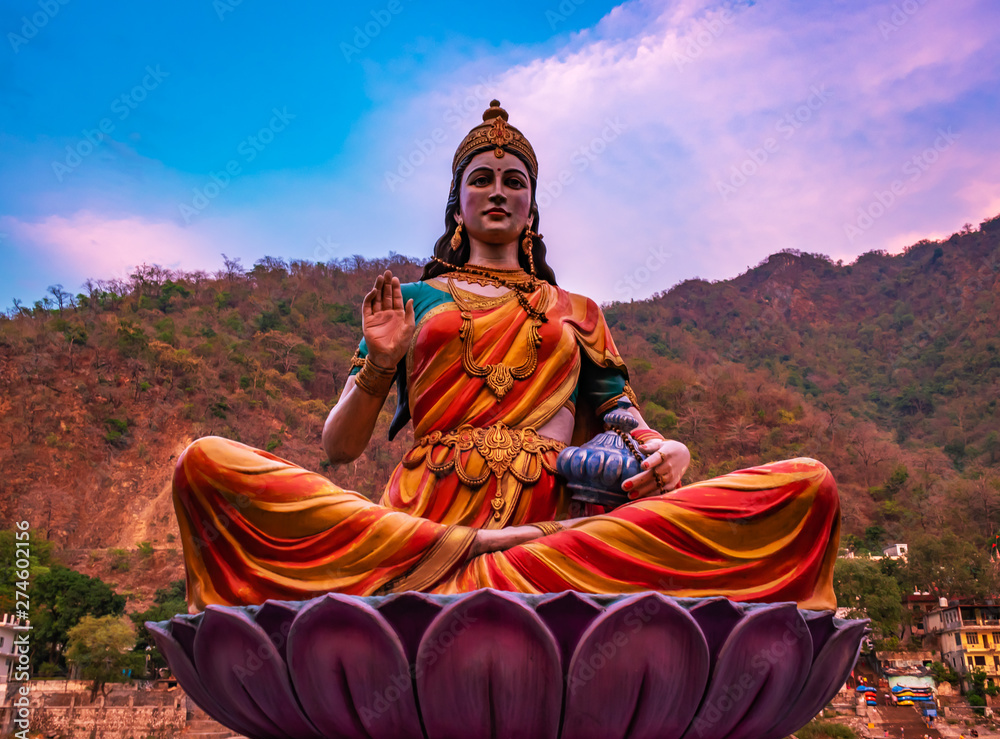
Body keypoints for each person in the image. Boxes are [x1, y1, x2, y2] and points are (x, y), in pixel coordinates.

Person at [171, 100, 842, 612]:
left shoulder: (578, 310)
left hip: (561, 531)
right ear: (457, 203)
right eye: (483, 179)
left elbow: (622, 419)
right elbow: (339, 449)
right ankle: (463, 559)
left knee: (806, 486)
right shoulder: (410, 301)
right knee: (205, 465)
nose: (498, 190)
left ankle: (459, 576)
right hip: (421, 520)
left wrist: (668, 451)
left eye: (514, 181)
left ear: (531, 207)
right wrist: (380, 364)